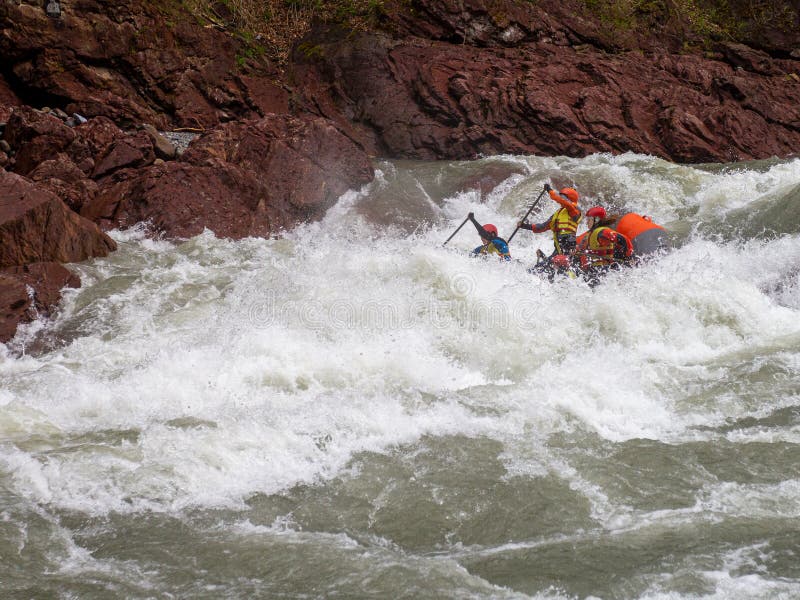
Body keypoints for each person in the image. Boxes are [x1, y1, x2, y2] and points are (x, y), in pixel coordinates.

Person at [517, 183, 582, 260]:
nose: (560, 199)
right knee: (543, 266)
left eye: (563, 197)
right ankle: (543, 259)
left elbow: (564, 201)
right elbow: (542, 227)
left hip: (568, 243)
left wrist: (549, 190)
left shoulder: (575, 210)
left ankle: (547, 259)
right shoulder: (557, 214)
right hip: (558, 245)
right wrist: (524, 226)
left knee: (557, 263)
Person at [576, 206, 634, 285]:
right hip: (593, 269)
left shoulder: (602, 231)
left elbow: (622, 239)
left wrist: (628, 257)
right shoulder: (589, 234)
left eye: (589, 220)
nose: (586, 222)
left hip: (602, 269)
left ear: (596, 220)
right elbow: (581, 249)